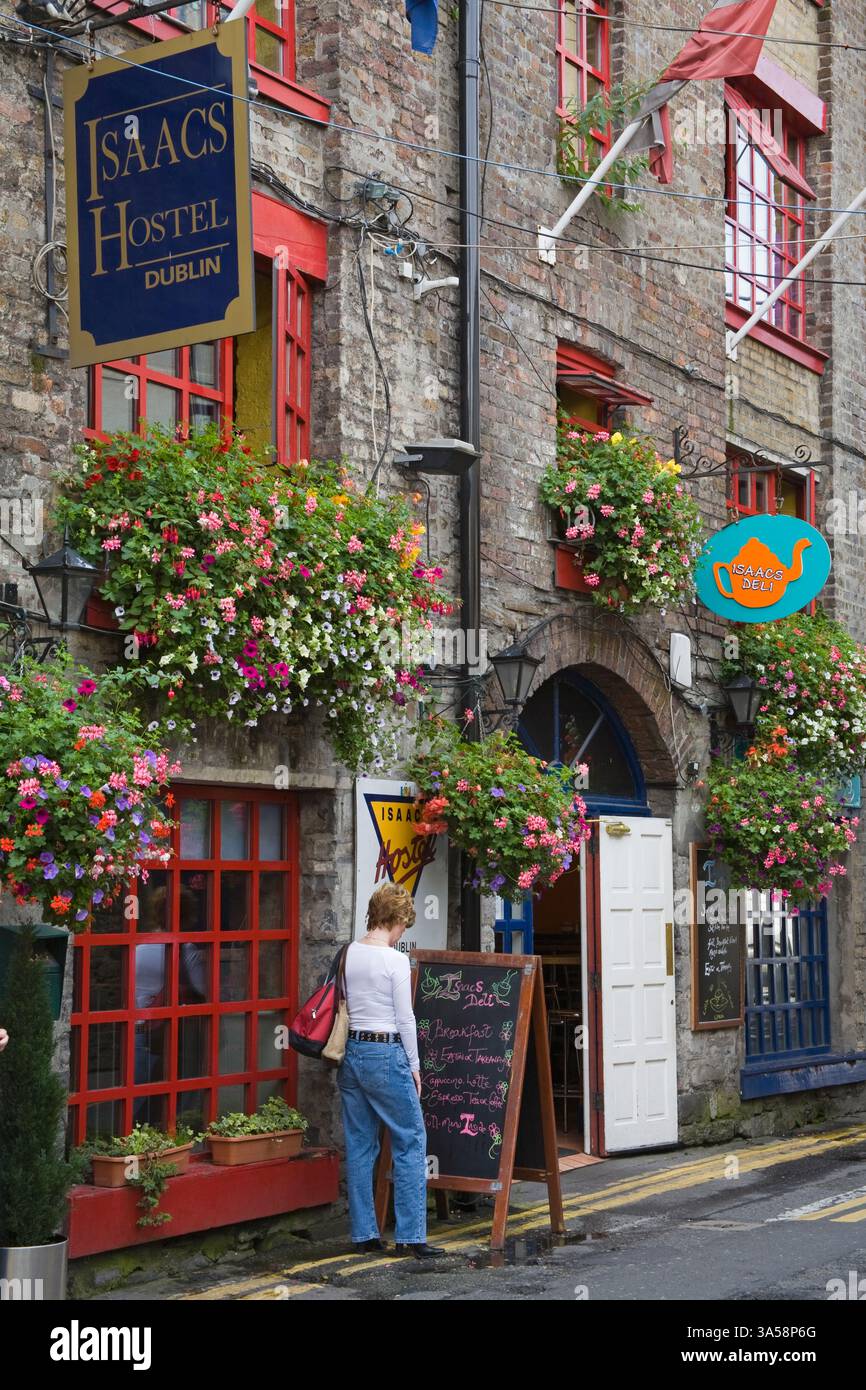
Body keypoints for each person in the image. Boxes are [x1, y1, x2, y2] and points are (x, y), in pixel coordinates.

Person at [337, 882, 444, 1259]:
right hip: (386, 1053)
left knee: (360, 1143)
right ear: (396, 919)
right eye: (403, 925)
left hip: (352, 1054)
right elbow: (406, 1019)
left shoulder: (348, 953)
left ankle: (365, 1234)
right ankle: (412, 1237)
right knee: (411, 1140)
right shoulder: (395, 960)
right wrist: (415, 1068)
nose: (403, 932)